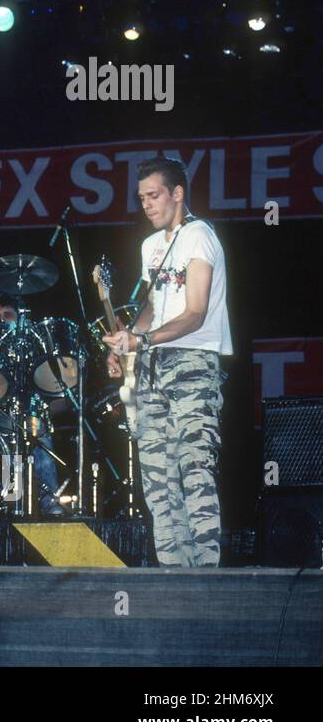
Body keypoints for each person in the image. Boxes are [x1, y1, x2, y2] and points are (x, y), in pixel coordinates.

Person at [104, 156, 231, 567]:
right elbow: (151, 311)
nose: (147, 205)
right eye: (141, 198)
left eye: (154, 195)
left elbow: (194, 311)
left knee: (194, 467)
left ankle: (206, 572)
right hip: (154, 367)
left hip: (193, 361)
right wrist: (126, 344)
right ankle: (174, 573)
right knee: (157, 479)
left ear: (177, 194)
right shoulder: (150, 246)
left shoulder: (199, 236)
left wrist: (141, 338)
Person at [0, 294, 65, 516]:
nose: (2, 320)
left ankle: (50, 501)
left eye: (7, 314)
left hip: (30, 410)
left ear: (21, 317)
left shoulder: (35, 343)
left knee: (39, 433)